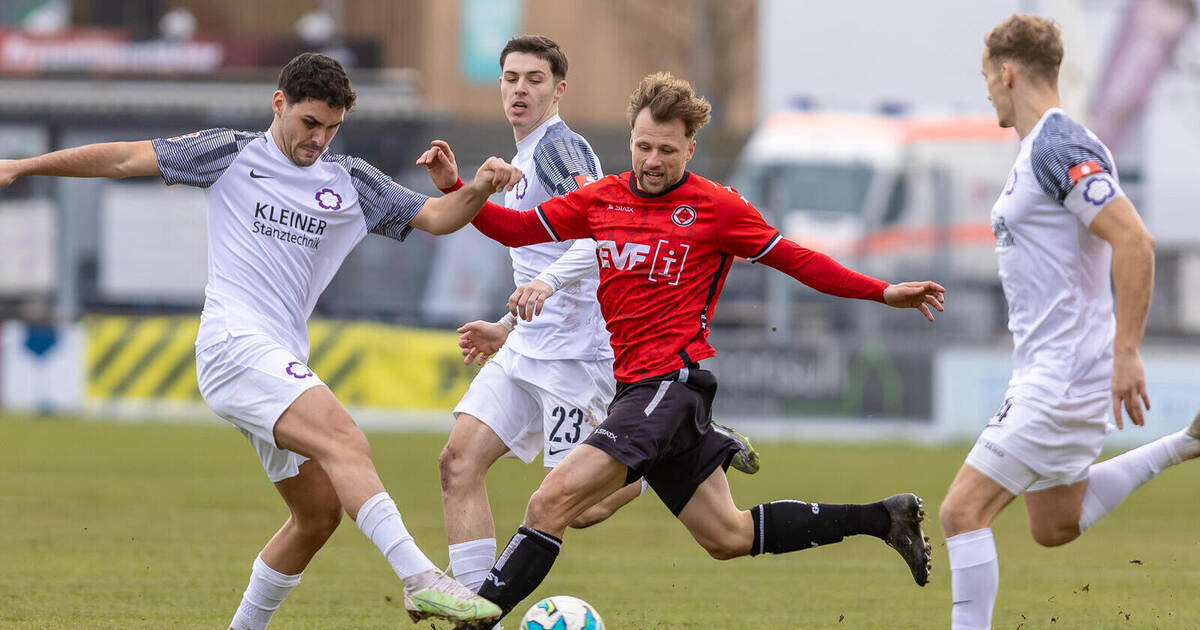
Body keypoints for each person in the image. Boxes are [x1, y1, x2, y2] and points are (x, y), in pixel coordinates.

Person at [0, 53, 522, 628]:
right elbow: (125, 158)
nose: (318, 139)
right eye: (308, 124)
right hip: (233, 343)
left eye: (331, 128)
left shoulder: (350, 181)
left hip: (278, 358)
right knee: (345, 438)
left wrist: (478, 188)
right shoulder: (229, 153)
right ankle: (421, 579)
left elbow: (437, 216)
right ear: (279, 105)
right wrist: (22, 166)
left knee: (318, 515)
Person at [420, 71, 946, 626]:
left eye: (667, 150)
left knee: (550, 503)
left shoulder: (716, 208)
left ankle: (476, 620)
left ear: (690, 148)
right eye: (643, 146)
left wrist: (882, 290)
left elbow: (796, 259)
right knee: (728, 535)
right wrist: (459, 188)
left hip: (670, 385)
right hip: (642, 393)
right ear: (629, 141)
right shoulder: (601, 199)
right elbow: (517, 229)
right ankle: (884, 519)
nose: (652, 160)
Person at [420, 36, 760, 597]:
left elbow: (602, 235)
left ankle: (670, 447)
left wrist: (546, 283)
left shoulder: (561, 149)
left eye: (534, 79)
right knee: (457, 463)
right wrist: (506, 327)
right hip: (529, 348)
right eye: (511, 78)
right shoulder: (523, 156)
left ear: (559, 90)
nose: (520, 90)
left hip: (577, 357)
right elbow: (539, 253)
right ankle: (472, 607)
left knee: (578, 508)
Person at [937, 15, 1200, 630]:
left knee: (959, 513)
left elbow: (1135, 239)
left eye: (985, 78)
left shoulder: (1060, 147)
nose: (986, 92)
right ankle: (1184, 445)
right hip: (1051, 371)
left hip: (1061, 376)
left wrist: (1126, 351)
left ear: (1007, 73)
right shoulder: (1046, 148)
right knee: (1054, 523)